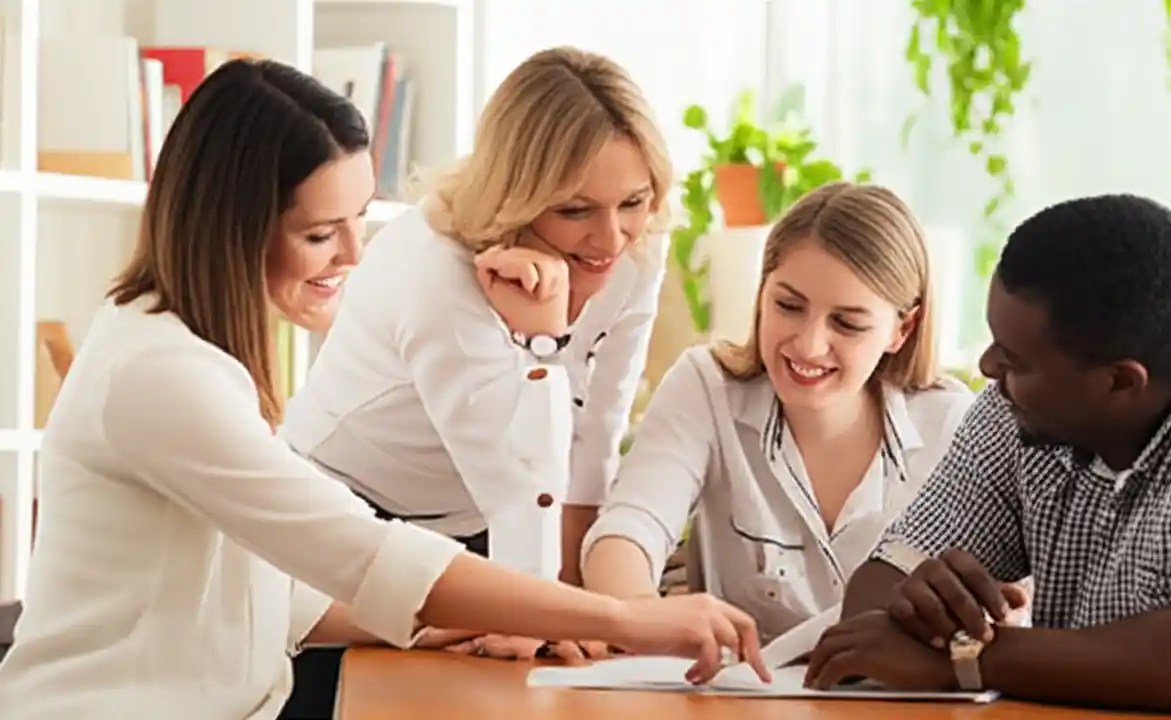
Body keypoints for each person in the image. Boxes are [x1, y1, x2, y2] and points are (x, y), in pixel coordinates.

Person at [0, 58, 767, 720]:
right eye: (319, 232)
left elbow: (265, 583)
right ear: (229, 228)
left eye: (358, 218)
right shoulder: (160, 376)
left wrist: (425, 627)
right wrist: (632, 621)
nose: (355, 254)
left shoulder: (183, 347)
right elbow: (360, 549)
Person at [803, 193, 1171, 719]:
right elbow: (872, 608)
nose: (987, 367)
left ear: (1119, 381)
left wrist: (971, 658)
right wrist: (921, 607)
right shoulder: (1018, 411)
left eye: (1013, 360)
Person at [278, 46, 672, 662]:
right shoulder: (436, 270)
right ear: (518, 193)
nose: (611, 237)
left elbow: (596, 432)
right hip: (347, 519)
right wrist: (543, 342)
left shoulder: (636, 246)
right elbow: (513, 474)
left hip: (474, 525)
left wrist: (573, 598)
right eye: (575, 210)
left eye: (634, 201)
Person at [580, 182, 974, 646]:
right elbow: (631, 526)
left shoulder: (953, 424)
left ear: (900, 329)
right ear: (762, 291)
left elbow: (1007, 596)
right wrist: (639, 615)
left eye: (847, 323)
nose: (808, 344)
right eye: (788, 306)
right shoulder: (708, 387)